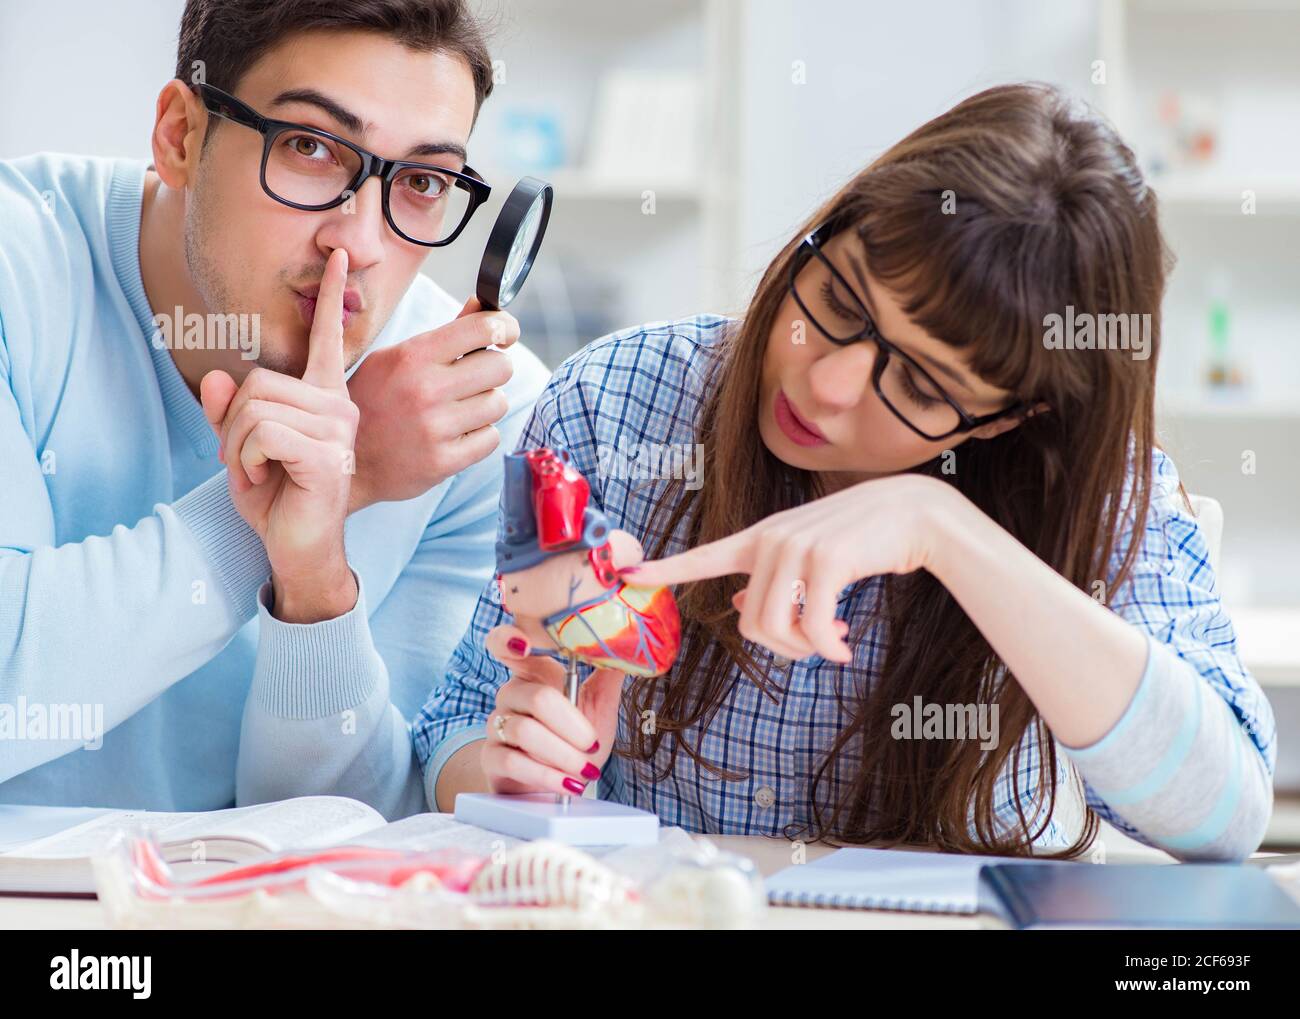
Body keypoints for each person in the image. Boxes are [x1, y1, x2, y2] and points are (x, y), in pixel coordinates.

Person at [257, 83, 1276, 861]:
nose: (827, 385)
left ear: (1013, 418)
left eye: (920, 385)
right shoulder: (619, 404)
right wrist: (515, 777)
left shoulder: (1096, 501)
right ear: (821, 230)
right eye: (837, 297)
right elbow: (457, 737)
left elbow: (1225, 814)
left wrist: (941, 527)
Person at [0, 0, 548, 818]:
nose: (357, 242)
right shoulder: (21, 263)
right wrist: (320, 487)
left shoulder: (473, 418)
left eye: (424, 182)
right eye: (311, 148)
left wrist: (315, 578)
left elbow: (369, 824)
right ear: (182, 135)